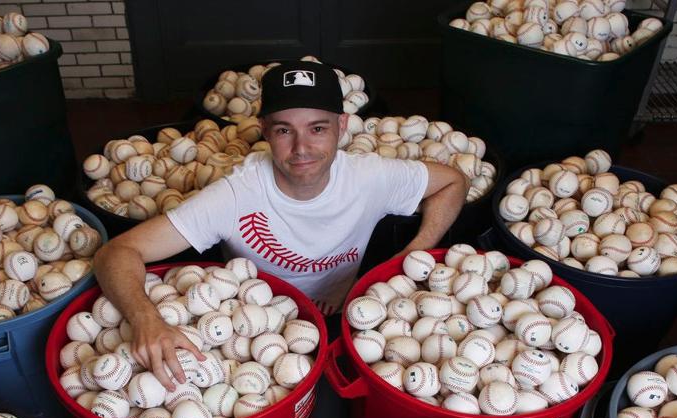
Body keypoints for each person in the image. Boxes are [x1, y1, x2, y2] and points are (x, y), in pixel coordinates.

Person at [92, 59, 468, 391]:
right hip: (257, 327)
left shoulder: (369, 177)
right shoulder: (236, 195)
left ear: (342, 125)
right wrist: (146, 318)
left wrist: (413, 251)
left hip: (343, 314)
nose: (301, 148)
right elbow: (117, 252)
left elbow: (454, 181)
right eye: (285, 130)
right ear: (265, 130)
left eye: (317, 129)